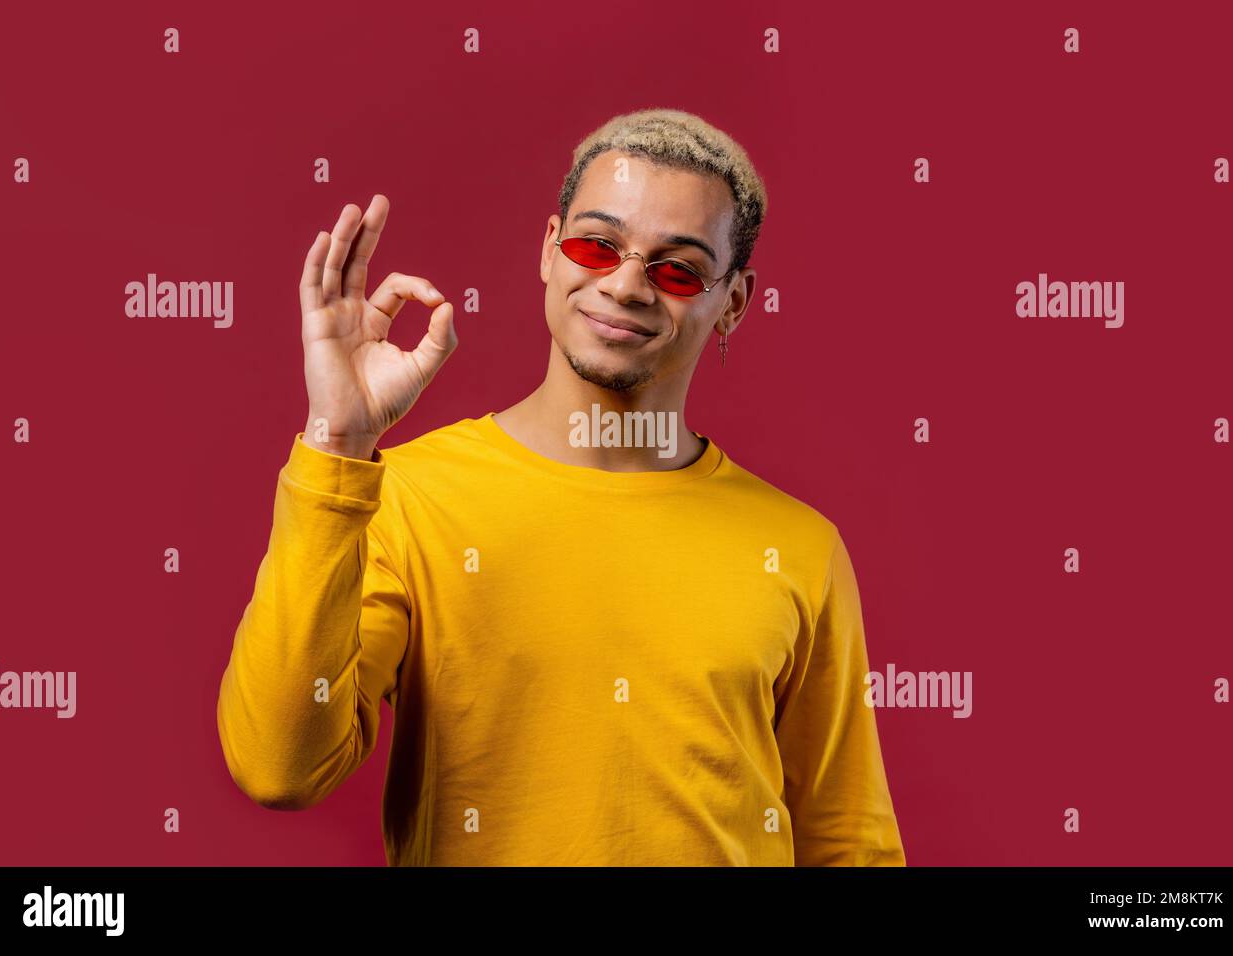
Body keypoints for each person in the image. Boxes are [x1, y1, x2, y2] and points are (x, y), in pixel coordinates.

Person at [215, 107, 906, 866]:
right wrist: (338, 445)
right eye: (597, 245)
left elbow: (848, 842)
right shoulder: (407, 498)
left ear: (733, 301)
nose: (628, 286)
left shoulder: (799, 548)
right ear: (550, 250)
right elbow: (279, 767)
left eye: (677, 268)